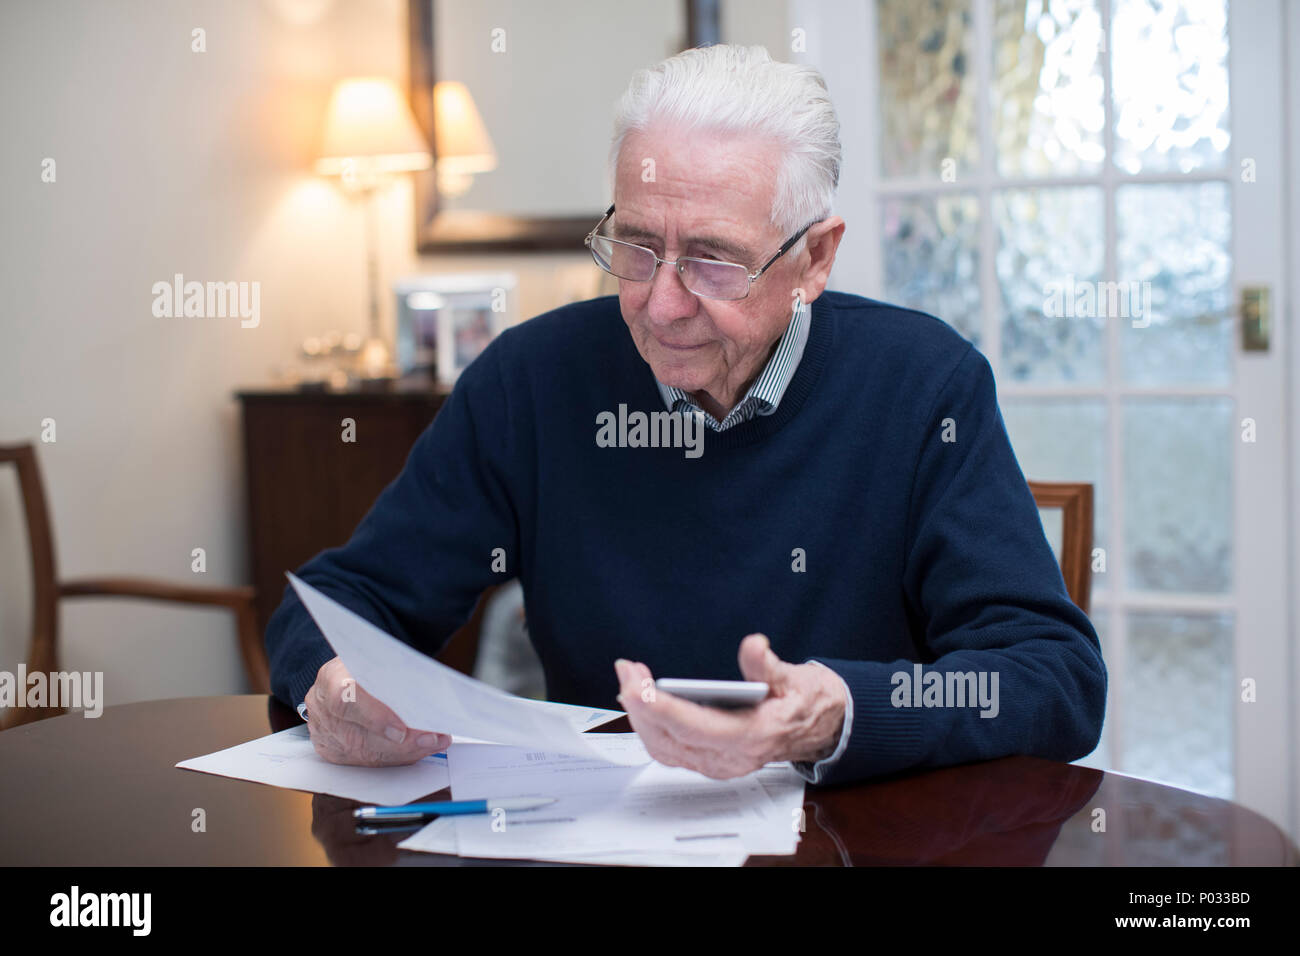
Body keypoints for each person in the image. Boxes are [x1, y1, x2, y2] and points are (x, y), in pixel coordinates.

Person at [265, 43, 1106, 785]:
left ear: (814, 258)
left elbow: (1051, 675)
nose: (660, 305)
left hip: (855, 844)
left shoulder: (924, 385)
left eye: (711, 259)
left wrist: (842, 711)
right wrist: (332, 684)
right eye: (635, 246)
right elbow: (339, 598)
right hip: (600, 841)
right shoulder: (532, 380)